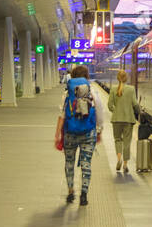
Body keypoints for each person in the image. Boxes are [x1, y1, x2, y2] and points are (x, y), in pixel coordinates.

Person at [55, 65, 104, 205]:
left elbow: (62, 115)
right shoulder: (93, 92)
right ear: (87, 77)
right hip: (88, 133)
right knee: (86, 163)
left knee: (69, 162)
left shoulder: (67, 93)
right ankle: (84, 195)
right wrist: (99, 131)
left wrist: (57, 135)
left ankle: (70, 192)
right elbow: (99, 113)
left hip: (70, 133)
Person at [106, 69, 138, 174]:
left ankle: (118, 158)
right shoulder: (131, 89)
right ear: (126, 78)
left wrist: (116, 111)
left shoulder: (113, 89)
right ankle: (125, 164)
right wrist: (140, 112)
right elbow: (135, 104)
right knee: (127, 142)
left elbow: (110, 105)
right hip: (128, 119)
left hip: (116, 119)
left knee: (118, 140)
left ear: (117, 78)